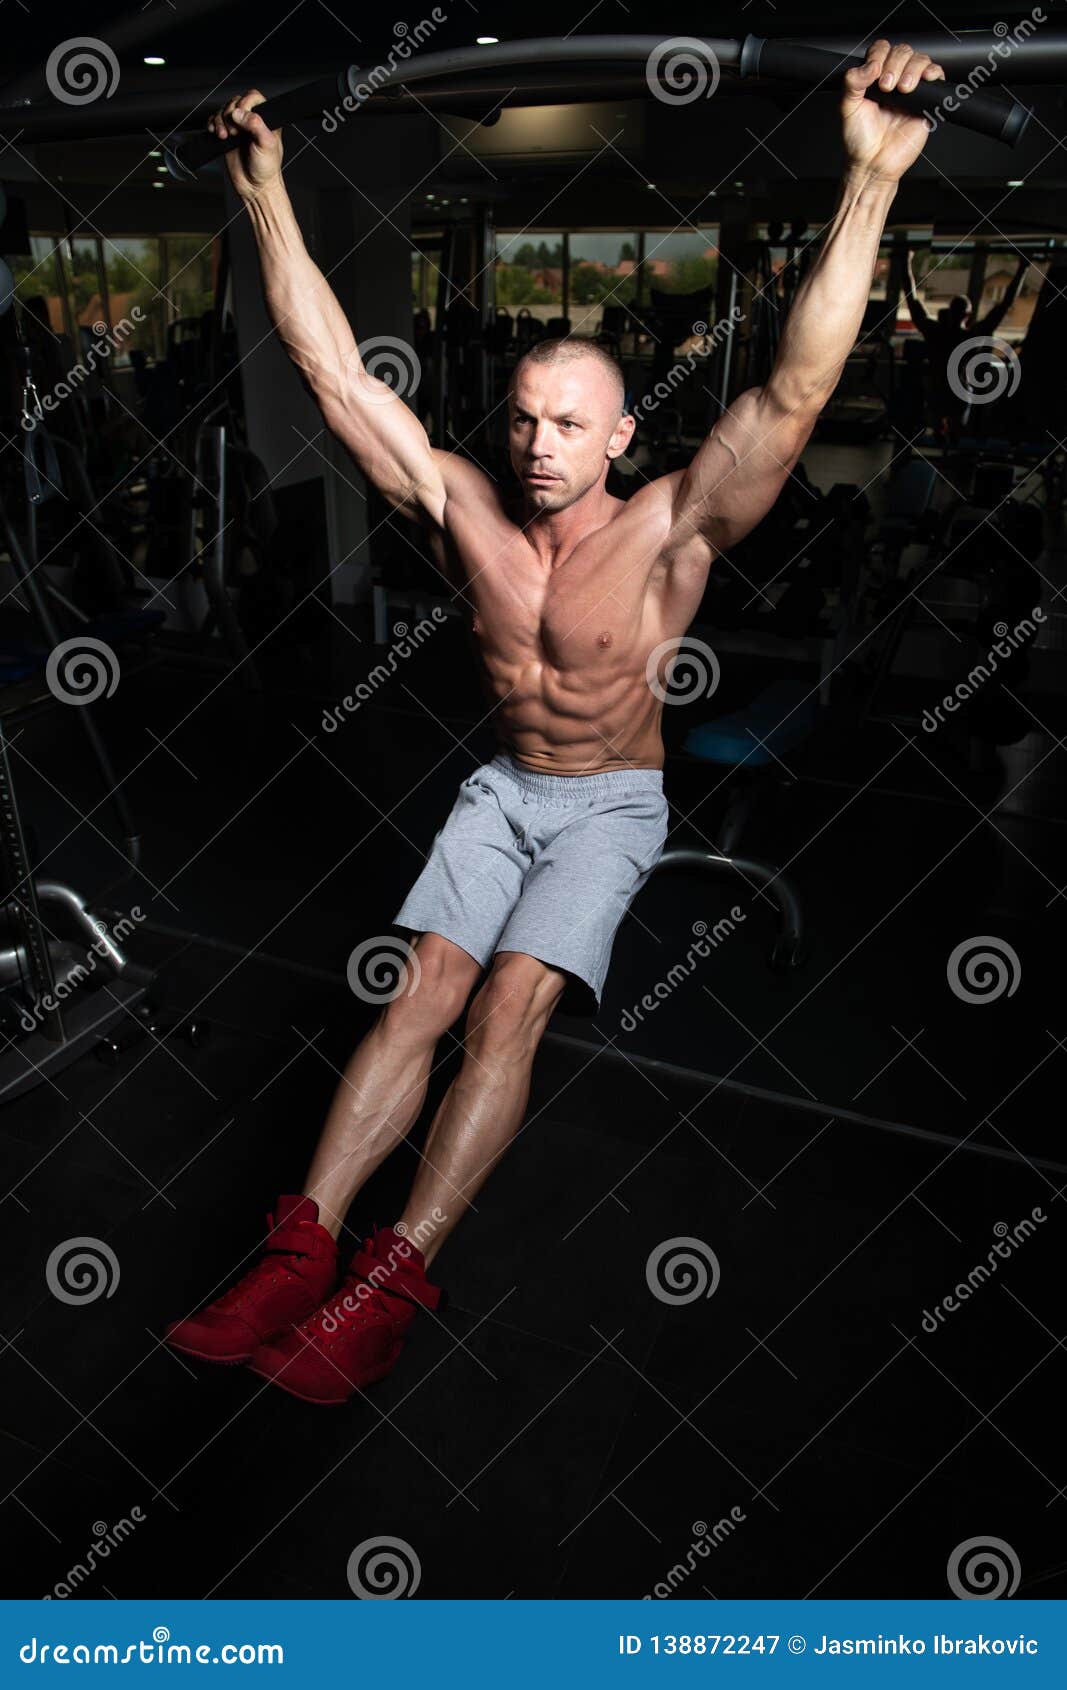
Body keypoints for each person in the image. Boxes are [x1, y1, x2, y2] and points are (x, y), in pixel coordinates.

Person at [167, 40, 947, 1406]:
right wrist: (267, 193)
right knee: (419, 992)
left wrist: (868, 180)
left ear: (616, 435)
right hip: (503, 786)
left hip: (609, 803)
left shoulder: (672, 523)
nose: (535, 444)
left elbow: (791, 393)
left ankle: (389, 1279)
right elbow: (335, 376)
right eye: (523, 416)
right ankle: (300, 1245)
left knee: (507, 1008)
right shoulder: (464, 501)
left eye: (565, 424)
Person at [902, 246, 1028, 440]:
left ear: (949, 310)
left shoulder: (935, 332)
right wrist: (1022, 269)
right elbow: (1005, 304)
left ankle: (942, 439)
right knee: (956, 436)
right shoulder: (971, 337)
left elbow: (912, 299)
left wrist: (906, 262)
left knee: (941, 434)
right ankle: (951, 447)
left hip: (938, 394)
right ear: (968, 315)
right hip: (958, 396)